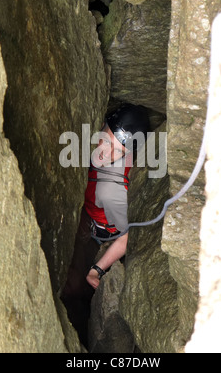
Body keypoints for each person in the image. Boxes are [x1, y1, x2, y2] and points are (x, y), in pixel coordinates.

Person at [61, 103, 149, 346]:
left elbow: (126, 236)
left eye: (116, 151)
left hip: (100, 232)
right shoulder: (88, 141)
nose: (105, 152)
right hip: (86, 213)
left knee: (73, 288)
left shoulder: (114, 190)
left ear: (126, 155)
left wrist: (97, 269)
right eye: (106, 139)